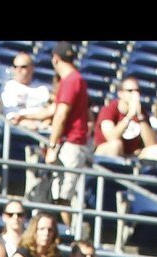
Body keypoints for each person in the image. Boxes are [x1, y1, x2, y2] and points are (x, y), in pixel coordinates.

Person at [42, 42, 93, 199]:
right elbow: (54, 110)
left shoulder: (71, 80)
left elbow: (60, 114)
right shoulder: (75, 79)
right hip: (73, 143)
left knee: (61, 197)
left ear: (56, 59)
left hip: (71, 144)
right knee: (60, 193)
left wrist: (51, 145)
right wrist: (24, 116)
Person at [96, 77, 151, 158]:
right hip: (106, 152)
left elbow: (150, 144)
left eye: (137, 91)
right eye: (130, 91)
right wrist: (129, 116)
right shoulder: (109, 110)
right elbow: (111, 137)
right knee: (116, 145)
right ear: (120, 93)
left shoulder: (142, 113)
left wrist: (140, 117)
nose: (135, 95)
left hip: (131, 155)